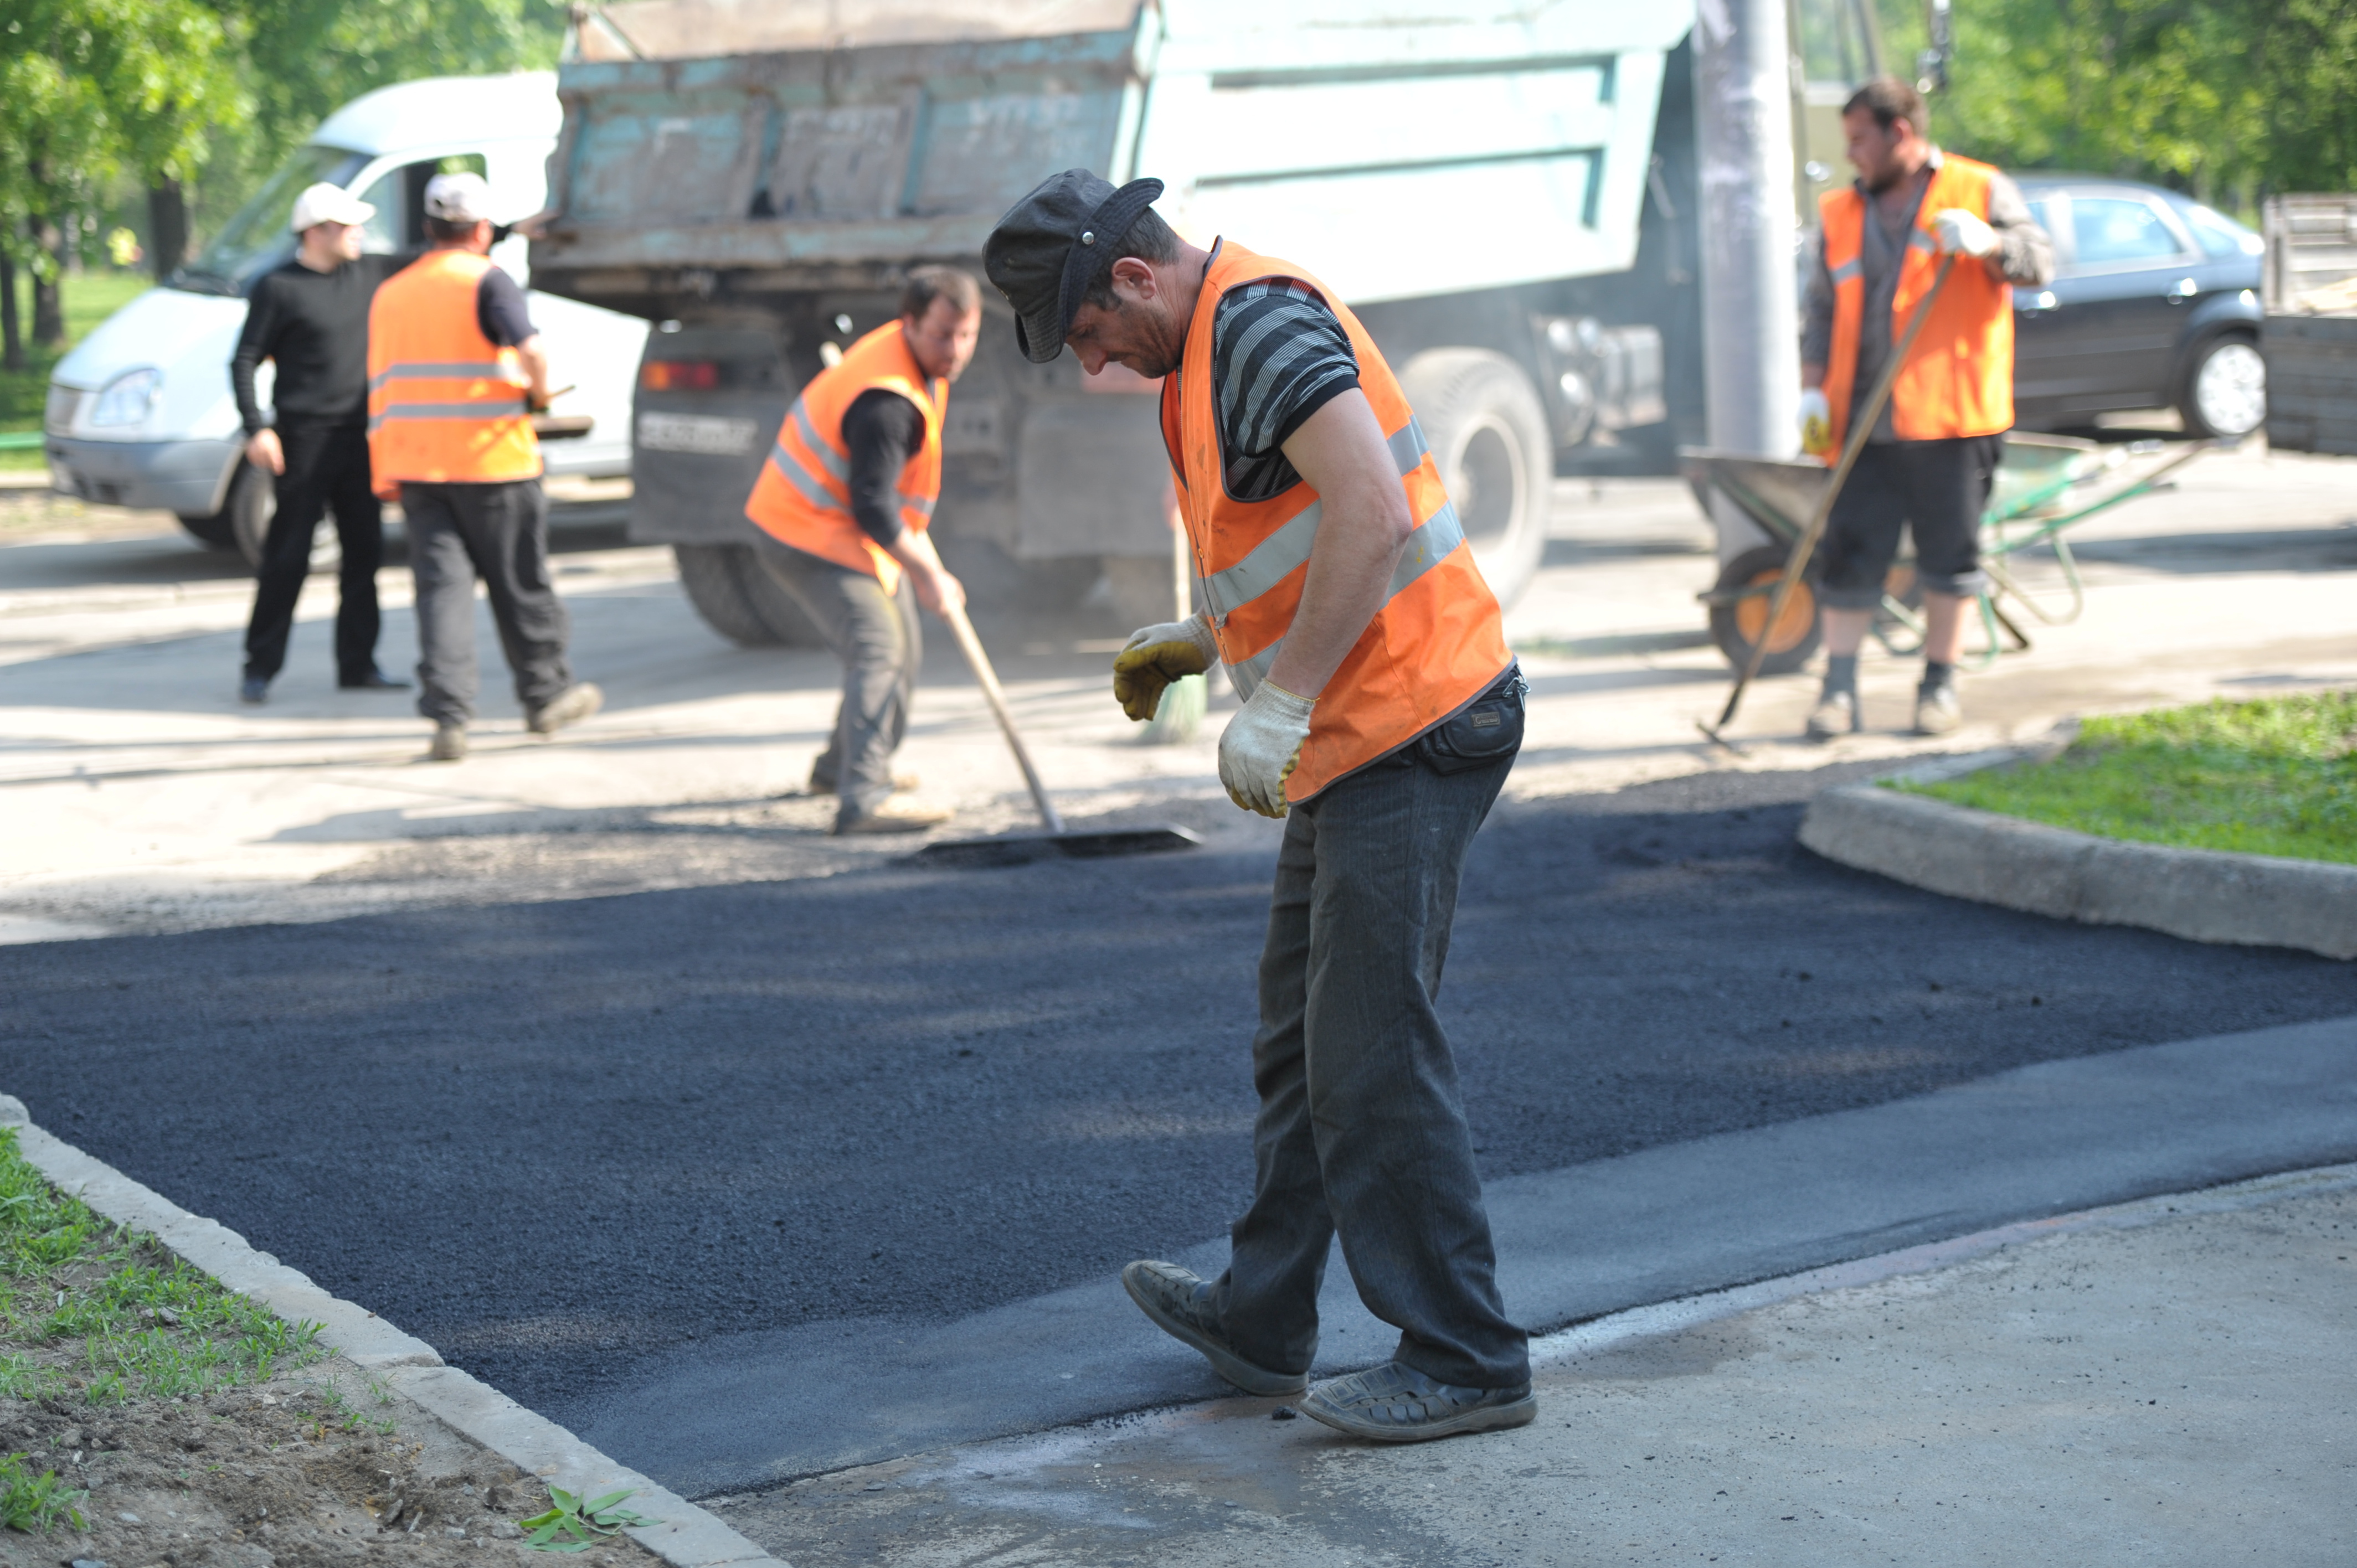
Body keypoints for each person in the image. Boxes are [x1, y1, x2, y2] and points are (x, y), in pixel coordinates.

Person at [985, 171, 1533, 1442]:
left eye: (1086, 332)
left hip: (1416, 722)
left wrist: (1277, 702)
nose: (1093, 364)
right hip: (1358, 735)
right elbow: (1291, 533)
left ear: (1131, 276)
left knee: (1367, 1050)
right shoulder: (1207, 344)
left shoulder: (1259, 324)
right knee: (1301, 1040)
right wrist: (1206, 636)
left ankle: (1467, 1354)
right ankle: (1265, 1313)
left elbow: (1375, 511)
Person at [1799, 76, 2051, 737]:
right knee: (1849, 554)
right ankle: (1837, 692)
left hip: (1951, 416)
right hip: (1861, 421)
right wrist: (1809, 388)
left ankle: (1936, 689)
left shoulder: (1979, 190)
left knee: (1949, 557)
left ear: (1900, 133)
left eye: (1859, 140)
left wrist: (1990, 245)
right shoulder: (1839, 214)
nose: (1851, 153)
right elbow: (1821, 311)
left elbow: (2042, 263)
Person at [366, 173, 601, 762]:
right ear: (479, 231)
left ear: (426, 229)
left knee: (441, 597)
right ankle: (544, 697)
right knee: (519, 584)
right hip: (493, 462)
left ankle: (448, 721)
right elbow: (531, 351)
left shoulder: (391, 292)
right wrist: (540, 396)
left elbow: (380, 384)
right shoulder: (488, 282)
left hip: (417, 467)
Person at [743, 267, 981, 834]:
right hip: (801, 532)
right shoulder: (886, 401)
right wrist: (929, 573)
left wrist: (923, 567)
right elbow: (874, 507)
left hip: (837, 529)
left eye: (965, 335)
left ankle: (840, 768)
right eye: (942, 335)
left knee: (903, 646)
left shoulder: (913, 363)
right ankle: (863, 798)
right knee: (879, 648)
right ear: (911, 324)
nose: (954, 350)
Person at [230, 182, 413, 704]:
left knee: (364, 556)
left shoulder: (370, 273)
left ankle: (358, 665)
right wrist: (255, 427)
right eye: (349, 225)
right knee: (287, 557)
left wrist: (512, 231)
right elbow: (244, 359)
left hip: (361, 440)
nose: (359, 233)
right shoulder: (279, 288)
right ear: (315, 232)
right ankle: (259, 666)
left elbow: (433, 257)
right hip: (303, 440)